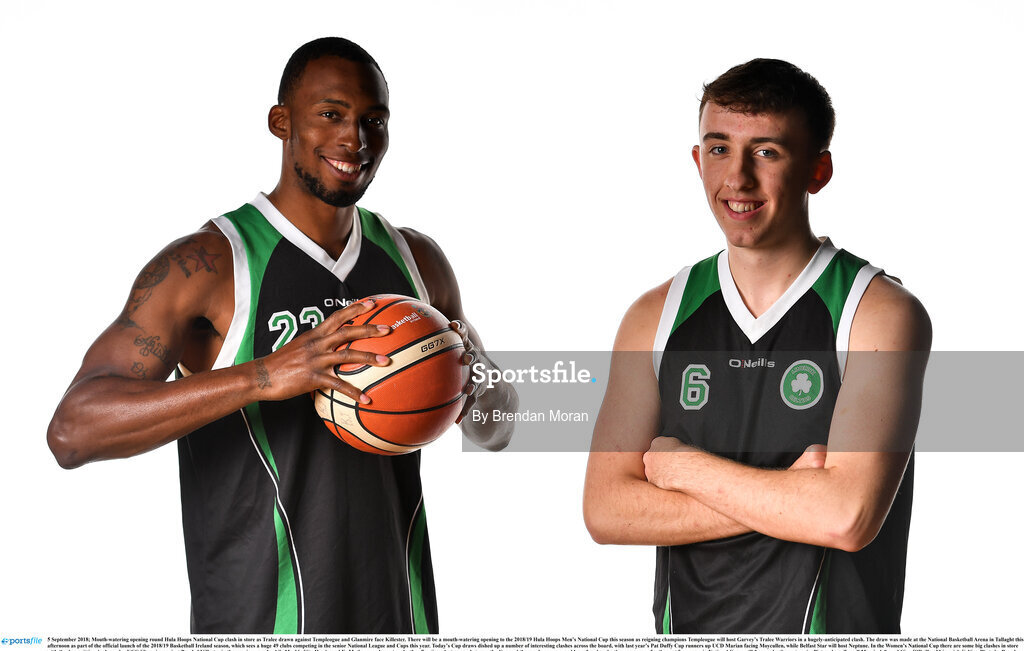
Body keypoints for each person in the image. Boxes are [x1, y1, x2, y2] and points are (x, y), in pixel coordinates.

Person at [47, 37, 517, 635]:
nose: (355, 139)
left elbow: (498, 430)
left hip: (398, 616)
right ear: (281, 122)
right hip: (257, 621)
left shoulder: (417, 260)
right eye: (331, 114)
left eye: (374, 121)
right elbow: (72, 431)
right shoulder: (209, 264)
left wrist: (473, 381)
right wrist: (265, 376)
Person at [583, 59, 930, 634]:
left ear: (817, 170)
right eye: (719, 149)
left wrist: (683, 468)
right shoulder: (654, 316)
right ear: (698, 160)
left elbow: (846, 517)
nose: (737, 178)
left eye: (766, 152)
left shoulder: (879, 313)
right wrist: (795, 496)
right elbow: (606, 511)